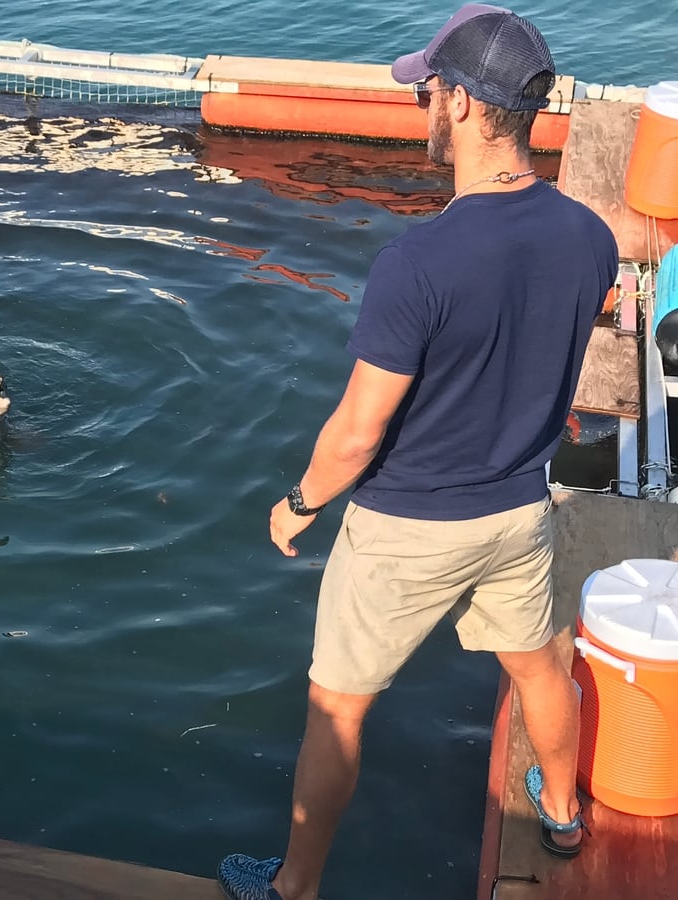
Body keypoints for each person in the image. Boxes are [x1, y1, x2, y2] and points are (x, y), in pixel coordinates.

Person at [216, 5, 619, 899]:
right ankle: (560, 812)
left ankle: (293, 888)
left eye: (430, 90)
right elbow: (539, 354)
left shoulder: (417, 263)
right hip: (520, 511)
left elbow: (358, 431)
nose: (423, 106)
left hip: (405, 526)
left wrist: (301, 504)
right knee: (540, 662)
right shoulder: (590, 238)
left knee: (339, 706)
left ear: (468, 108)